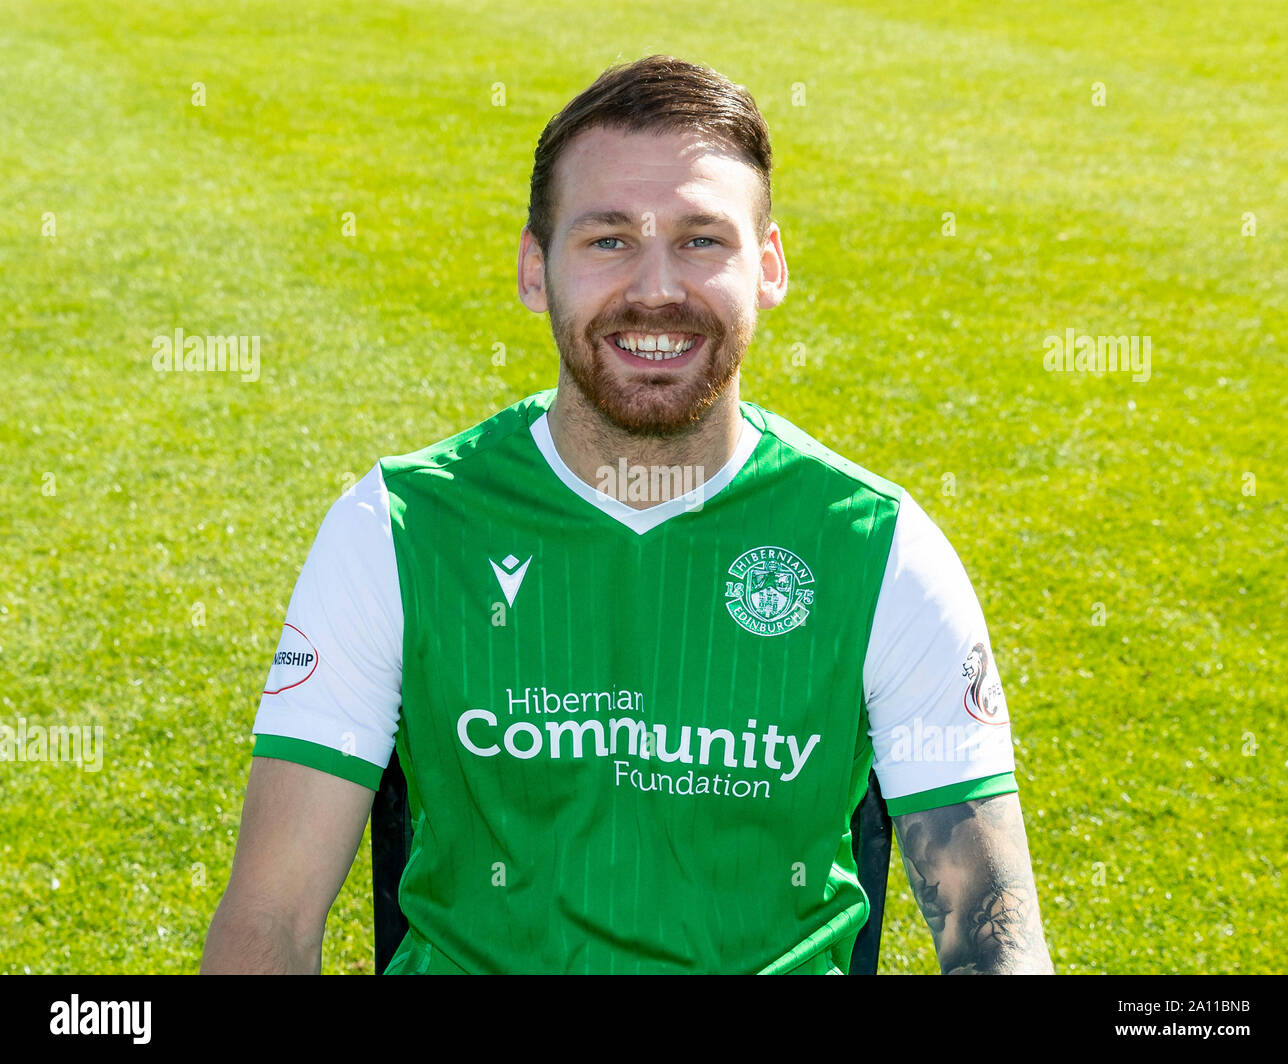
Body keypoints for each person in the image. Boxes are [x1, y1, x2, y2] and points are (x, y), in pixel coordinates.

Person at [200, 54, 1053, 975]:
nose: (657, 290)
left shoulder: (879, 550)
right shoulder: (398, 531)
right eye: (608, 240)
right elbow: (270, 924)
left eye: (701, 241)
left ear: (767, 267)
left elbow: (991, 938)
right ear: (536, 270)